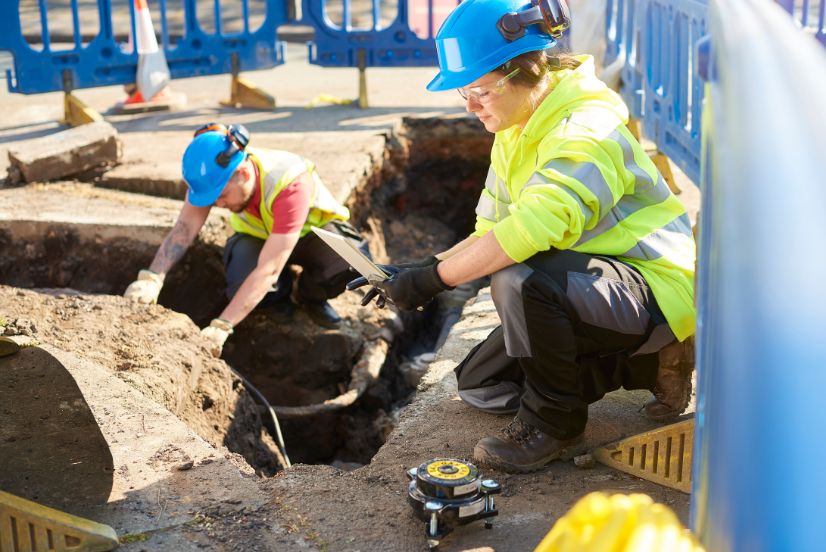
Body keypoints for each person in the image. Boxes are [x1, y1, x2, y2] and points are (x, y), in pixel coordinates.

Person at [350, 0, 695, 473]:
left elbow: (531, 231)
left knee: (518, 278)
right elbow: (490, 231)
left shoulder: (584, 130)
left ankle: (554, 424)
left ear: (527, 70)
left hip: (654, 285)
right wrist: (420, 269)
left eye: (478, 90)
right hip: (589, 282)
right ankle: (652, 365)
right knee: (481, 387)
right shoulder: (516, 128)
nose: (469, 106)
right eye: (462, 92)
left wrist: (435, 282)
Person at [124, 123, 367, 356]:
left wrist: (222, 326)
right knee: (242, 283)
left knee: (351, 261)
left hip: (312, 236)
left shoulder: (288, 182)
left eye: (221, 197)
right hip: (259, 238)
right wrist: (152, 277)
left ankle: (309, 297)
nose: (217, 204)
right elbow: (185, 228)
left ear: (241, 172)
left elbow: (269, 269)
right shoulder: (213, 178)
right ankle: (279, 302)